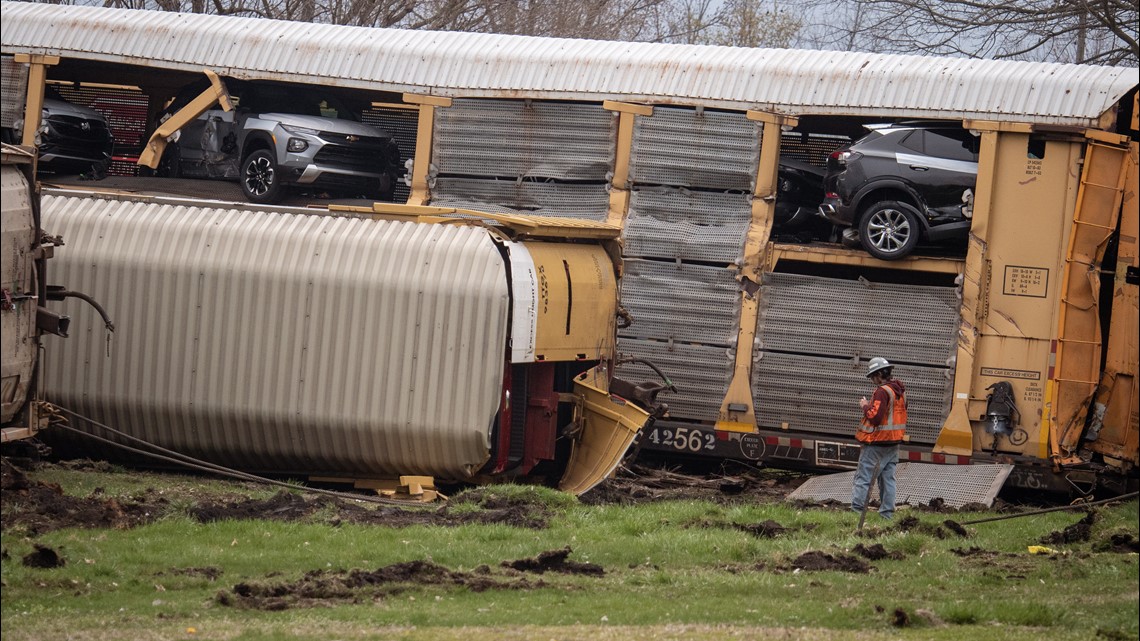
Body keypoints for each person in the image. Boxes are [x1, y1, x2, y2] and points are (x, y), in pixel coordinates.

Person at [851, 357, 907, 520]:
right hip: (894, 442)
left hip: (877, 443)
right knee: (888, 479)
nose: (872, 380)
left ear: (879, 374)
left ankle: (856, 512)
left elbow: (874, 417)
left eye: (872, 376)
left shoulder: (882, 391)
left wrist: (865, 405)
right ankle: (887, 515)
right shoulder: (900, 391)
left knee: (864, 478)